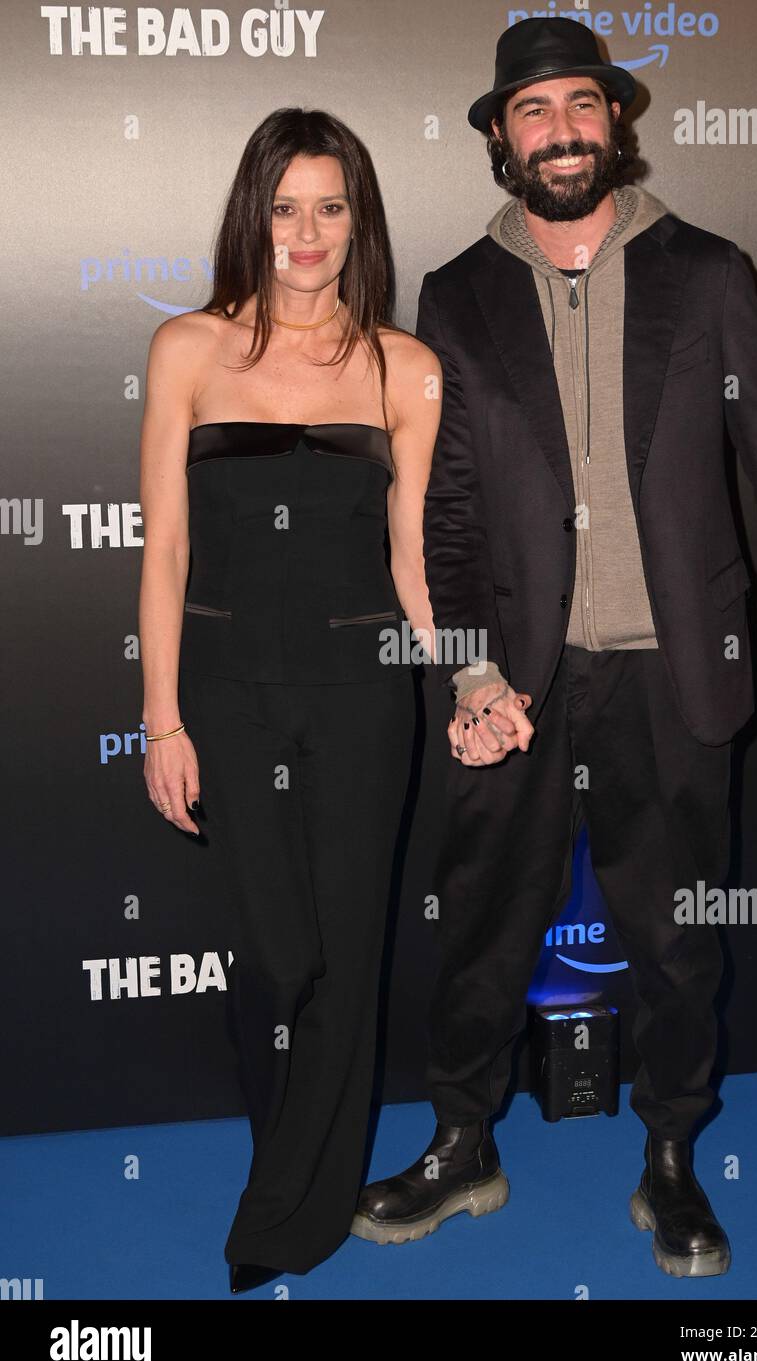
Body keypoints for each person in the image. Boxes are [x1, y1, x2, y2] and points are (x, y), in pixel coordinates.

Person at [352, 19, 757, 1277]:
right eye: (531, 110)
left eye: (580, 104)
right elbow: (446, 512)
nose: (560, 130)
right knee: (482, 925)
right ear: (499, 137)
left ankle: (670, 1157)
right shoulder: (456, 294)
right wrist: (471, 670)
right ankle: (461, 1143)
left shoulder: (710, 271)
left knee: (677, 937)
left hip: (670, 666)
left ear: (614, 121)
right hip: (512, 682)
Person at [138, 107, 440, 1291]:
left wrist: (469, 672)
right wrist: (162, 718)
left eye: (329, 207)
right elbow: (165, 550)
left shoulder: (402, 366)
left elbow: (413, 562)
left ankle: (289, 1212)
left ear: (358, 221)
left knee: (348, 954)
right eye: (283, 207)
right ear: (250, 215)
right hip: (228, 692)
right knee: (276, 956)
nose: (305, 233)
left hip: (362, 694)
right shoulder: (188, 349)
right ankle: (287, 1154)